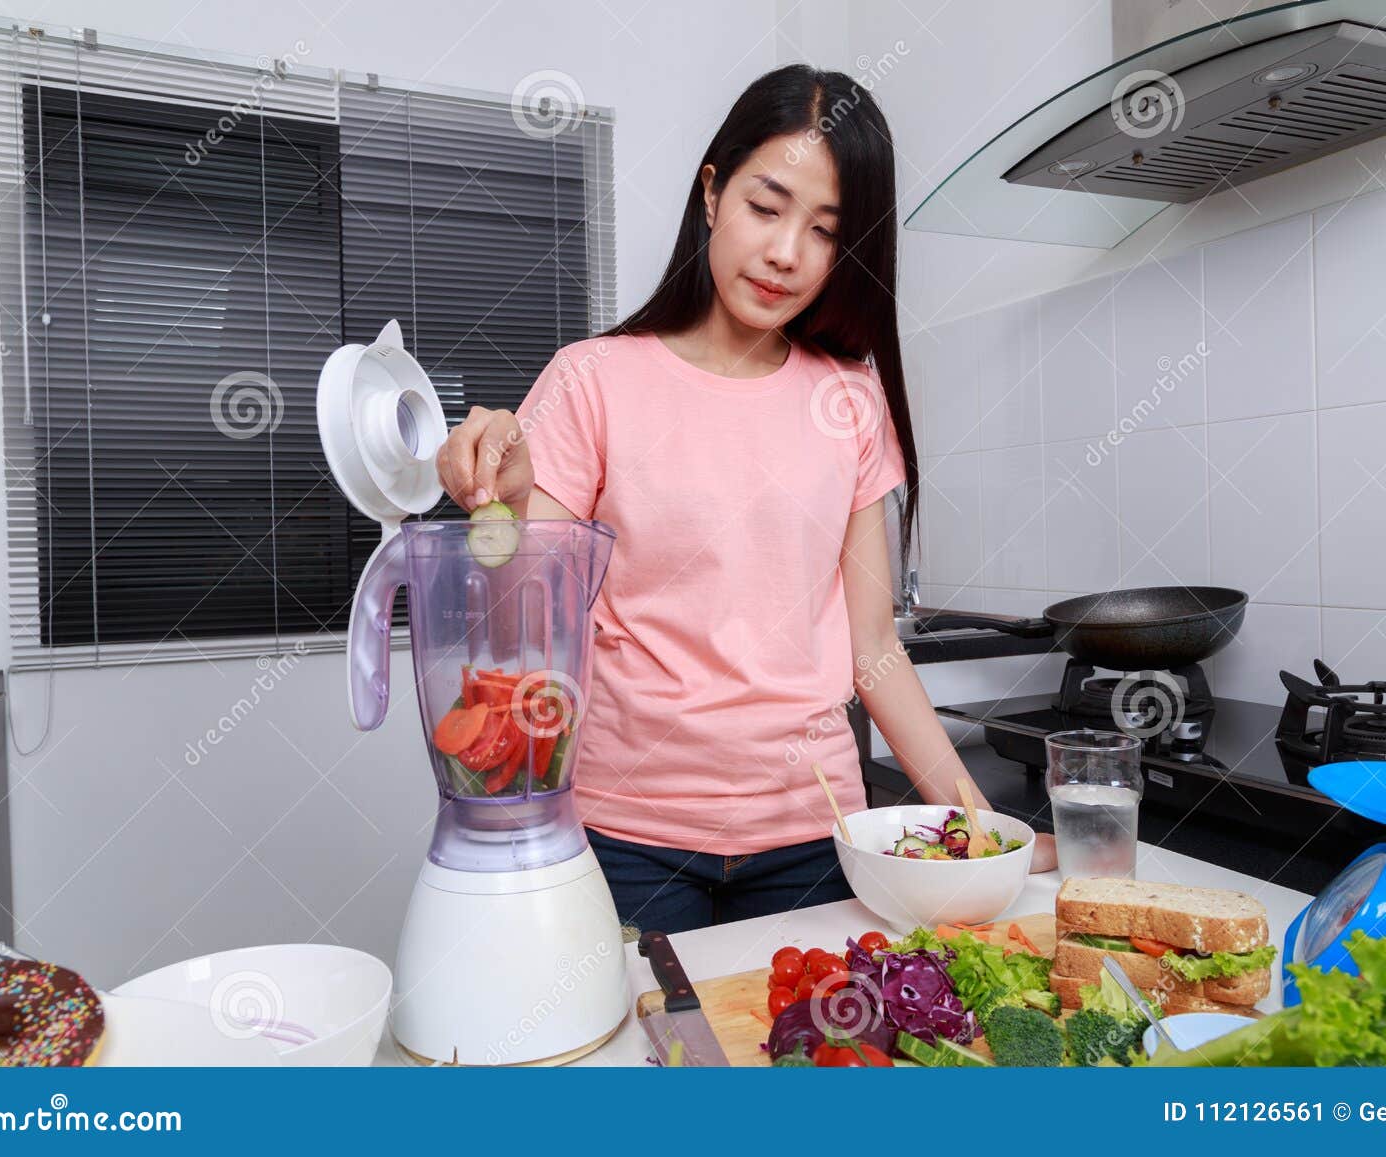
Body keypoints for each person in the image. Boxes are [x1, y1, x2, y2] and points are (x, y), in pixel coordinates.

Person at [435, 63, 1056, 934]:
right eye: (766, 208)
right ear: (713, 192)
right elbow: (521, 626)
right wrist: (498, 507)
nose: (786, 253)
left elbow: (872, 649)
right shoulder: (592, 381)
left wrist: (979, 826)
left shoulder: (848, 397)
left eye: (823, 230)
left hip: (816, 836)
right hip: (627, 839)